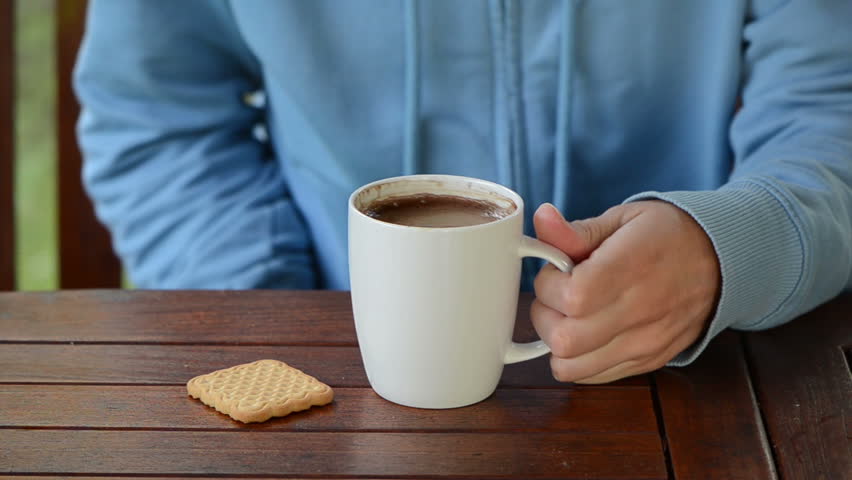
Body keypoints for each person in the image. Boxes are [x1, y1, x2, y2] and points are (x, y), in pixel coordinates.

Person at [74, 0, 852, 384]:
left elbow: (832, 103)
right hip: (335, 383)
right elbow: (154, 115)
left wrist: (729, 246)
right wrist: (275, 317)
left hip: (687, 382)